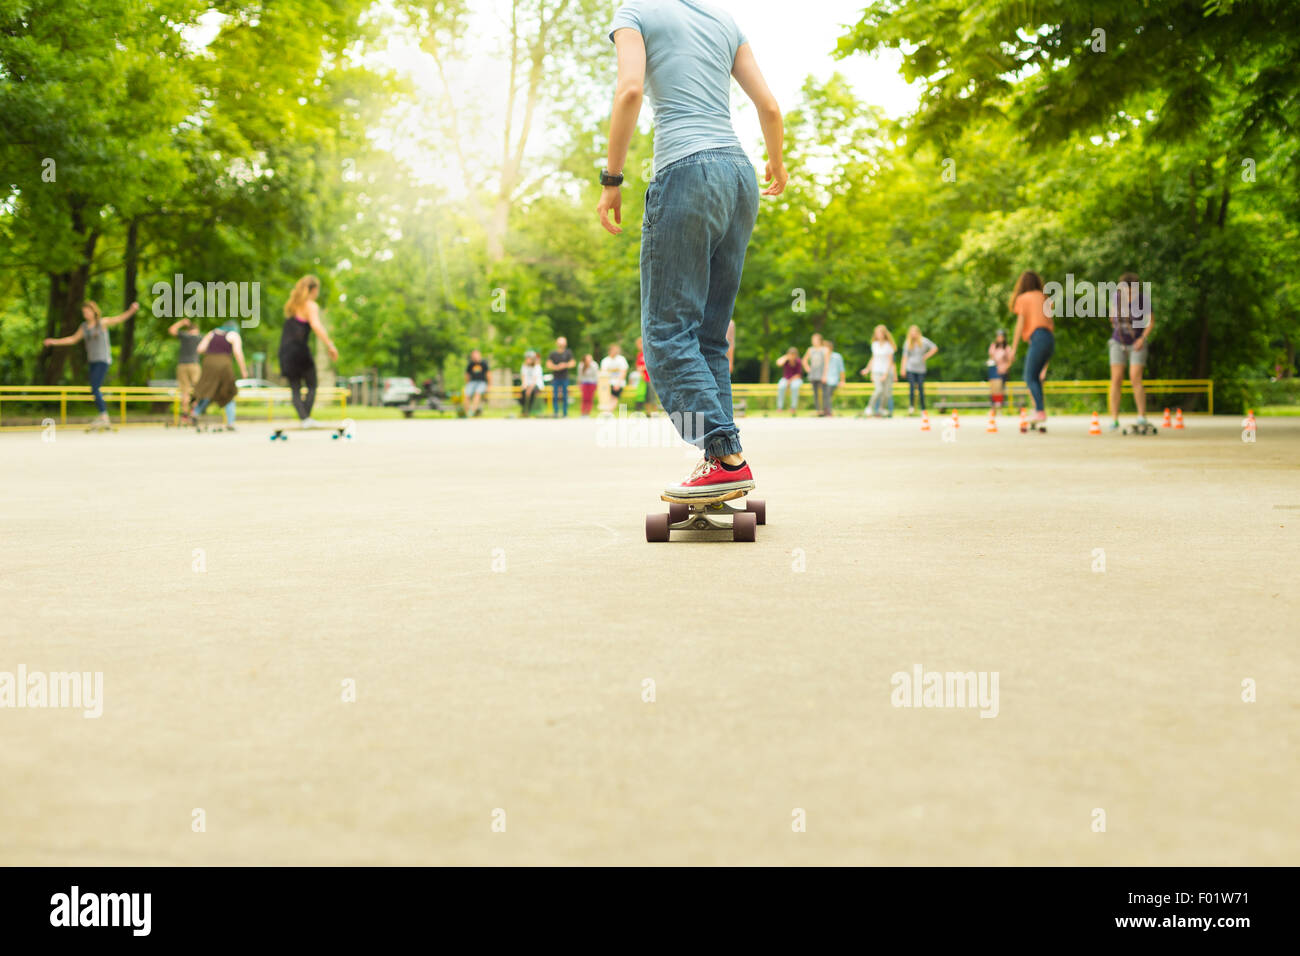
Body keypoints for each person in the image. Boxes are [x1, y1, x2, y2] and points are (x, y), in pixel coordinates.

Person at [599, 0, 785, 495]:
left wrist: (612, 178)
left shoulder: (633, 13)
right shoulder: (723, 19)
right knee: (708, 338)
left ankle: (726, 456)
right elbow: (768, 106)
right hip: (740, 175)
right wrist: (778, 161)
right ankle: (720, 461)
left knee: (665, 334)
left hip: (685, 170)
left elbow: (630, 90)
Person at [42, 300, 140, 429]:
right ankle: (103, 415)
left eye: (88, 311)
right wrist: (54, 342)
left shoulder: (102, 323)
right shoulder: (84, 327)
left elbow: (119, 319)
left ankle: (104, 416)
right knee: (94, 388)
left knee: (95, 387)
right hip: (92, 361)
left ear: (94, 311)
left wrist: (131, 311)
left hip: (103, 360)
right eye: (84, 312)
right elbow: (72, 339)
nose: (86, 314)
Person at [279, 275, 339, 428]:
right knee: (312, 384)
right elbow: (316, 326)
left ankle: (304, 418)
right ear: (314, 289)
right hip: (299, 350)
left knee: (295, 387)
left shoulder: (292, 305)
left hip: (285, 351)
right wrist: (330, 345)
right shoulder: (310, 305)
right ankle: (306, 418)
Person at [1106, 271, 1156, 431]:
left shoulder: (1143, 300)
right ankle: (1114, 419)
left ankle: (1141, 415)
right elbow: (1111, 318)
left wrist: (1142, 339)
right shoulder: (1117, 298)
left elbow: (1151, 322)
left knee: (1135, 377)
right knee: (1116, 379)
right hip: (1118, 342)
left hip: (1137, 343)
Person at [1007, 270, 1055, 422]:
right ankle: (1038, 410)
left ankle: (1040, 411)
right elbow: (1050, 323)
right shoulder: (1044, 297)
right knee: (1036, 377)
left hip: (1038, 338)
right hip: (1048, 338)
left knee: (1029, 377)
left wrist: (1013, 349)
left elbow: (1020, 325)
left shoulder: (1023, 298)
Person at [192, 321, 249, 430]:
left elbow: (200, 349)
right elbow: (237, 352)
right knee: (228, 391)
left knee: (207, 389)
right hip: (224, 363)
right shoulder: (234, 335)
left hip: (209, 362)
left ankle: (196, 412)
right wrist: (243, 370)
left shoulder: (211, 333)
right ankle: (231, 422)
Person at [168, 317, 203, 423]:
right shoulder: (199, 337)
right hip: (194, 365)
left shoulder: (184, 336)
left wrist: (182, 322)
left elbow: (171, 330)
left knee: (185, 392)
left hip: (182, 365)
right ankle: (194, 412)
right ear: (197, 330)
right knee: (198, 389)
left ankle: (184, 416)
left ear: (189, 330)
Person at [899, 326, 938, 415]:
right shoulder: (908, 342)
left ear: (917, 333)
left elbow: (935, 348)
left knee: (921, 387)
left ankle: (923, 409)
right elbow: (904, 357)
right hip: (910, 368)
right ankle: (911, 407)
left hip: (921, 369)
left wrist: (926, 356)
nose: (913, 335)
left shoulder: (924, 341)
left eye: (914, 333)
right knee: (912, 387)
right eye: (911, 333)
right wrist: (903, 369)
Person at [861, 325, 897, 417]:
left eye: (879, 333)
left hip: (887, 371)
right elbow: (873, 358)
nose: (878, 335)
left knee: (886, 393)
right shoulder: (874, 344)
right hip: (877, 370)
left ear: (884, 334)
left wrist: (886, 373)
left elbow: (890, 361)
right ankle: (869, 407)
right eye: (876, 333)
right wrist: (868, 369)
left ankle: (881, 409)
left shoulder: (889, 346)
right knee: (879, 390)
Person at [546, 336, 575, 417]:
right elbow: (548, 364)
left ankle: (565, 413)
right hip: (555, 377)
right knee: (555, 395)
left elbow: (573, 363)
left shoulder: (568, 353)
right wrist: (556, 367)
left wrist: (564, 365)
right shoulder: (553, 353)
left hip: (565, 377)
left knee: (565, 395)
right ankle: (556, 412)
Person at [987, 329, 1014, 411]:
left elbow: (1010, 361)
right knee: (993, 389)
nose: (999, 338)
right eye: (998, 337)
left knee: (1000, 389)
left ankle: (1000, 408)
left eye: (1001, 337)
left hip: (1003, 371)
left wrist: (1005, 368)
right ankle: (993, 408)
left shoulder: (1007, 348)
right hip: (994, 370)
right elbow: (991, 357)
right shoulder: (993, 346)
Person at [802, 333, 829, 415]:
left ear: (819, 340)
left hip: (822, 373)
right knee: (815, 393)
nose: (813, 341)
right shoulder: (810, 350)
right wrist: (808, 369)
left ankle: (825, 410)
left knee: (824, 393)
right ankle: (818, 410)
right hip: (813, 374)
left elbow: (827, 363)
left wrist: (825, 375)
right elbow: (804, 360)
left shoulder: (825, 350)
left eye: (815, 340)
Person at [775, 347, 803, 414]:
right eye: (790, 355)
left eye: (793, 355)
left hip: (796, 379)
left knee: (794, 387)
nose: (792, 357)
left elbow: (798, 375)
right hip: (785, 379)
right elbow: (778, 363)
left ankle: (793, 407)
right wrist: (786, 357)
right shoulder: (786, 361)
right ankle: (779, 407)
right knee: (781, 386)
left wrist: (790, 381)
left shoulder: (798, 361)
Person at [822, 339, 845, 416]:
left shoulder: (837, 357)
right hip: (824, 380)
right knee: (825, 394)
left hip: (833, 380)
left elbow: (841, 369)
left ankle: (828, 411)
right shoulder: (823, 357)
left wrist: (842, 380)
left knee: (828, 393)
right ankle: (825, 410)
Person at [633, 336, 655, 414]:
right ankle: (648, 412)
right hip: (643, 378)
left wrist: (644, 367)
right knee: (645, 396)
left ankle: (654, 411)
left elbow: (652, 365)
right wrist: (643, 368)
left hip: (651, 378)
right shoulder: (639, 355)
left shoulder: (650, 353)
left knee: (652, 396)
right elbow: (638, 367)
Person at [465, 349, 489, 417]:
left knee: (477, 394)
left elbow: (488, 374)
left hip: (482, 382)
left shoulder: (484, 363)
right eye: (473, 355)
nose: (475, 356)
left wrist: (489, 385)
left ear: (479, 355)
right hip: (472, 382)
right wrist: (467, 383)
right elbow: (467, 375)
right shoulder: (470, 364)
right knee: (467, 395)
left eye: (476, 355)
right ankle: (467, 413)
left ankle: (472, 411)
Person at [520, 350, 543, 417]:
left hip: (536, 385)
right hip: (527, 385)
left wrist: (529, 389)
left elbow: (534, 380)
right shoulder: (524, 366)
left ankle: (528, 411)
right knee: (523, 392)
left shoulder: (537, 367)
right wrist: (524, 386)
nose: (527, 360)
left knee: (532, 392)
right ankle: (524, 410)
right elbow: (523, 377)